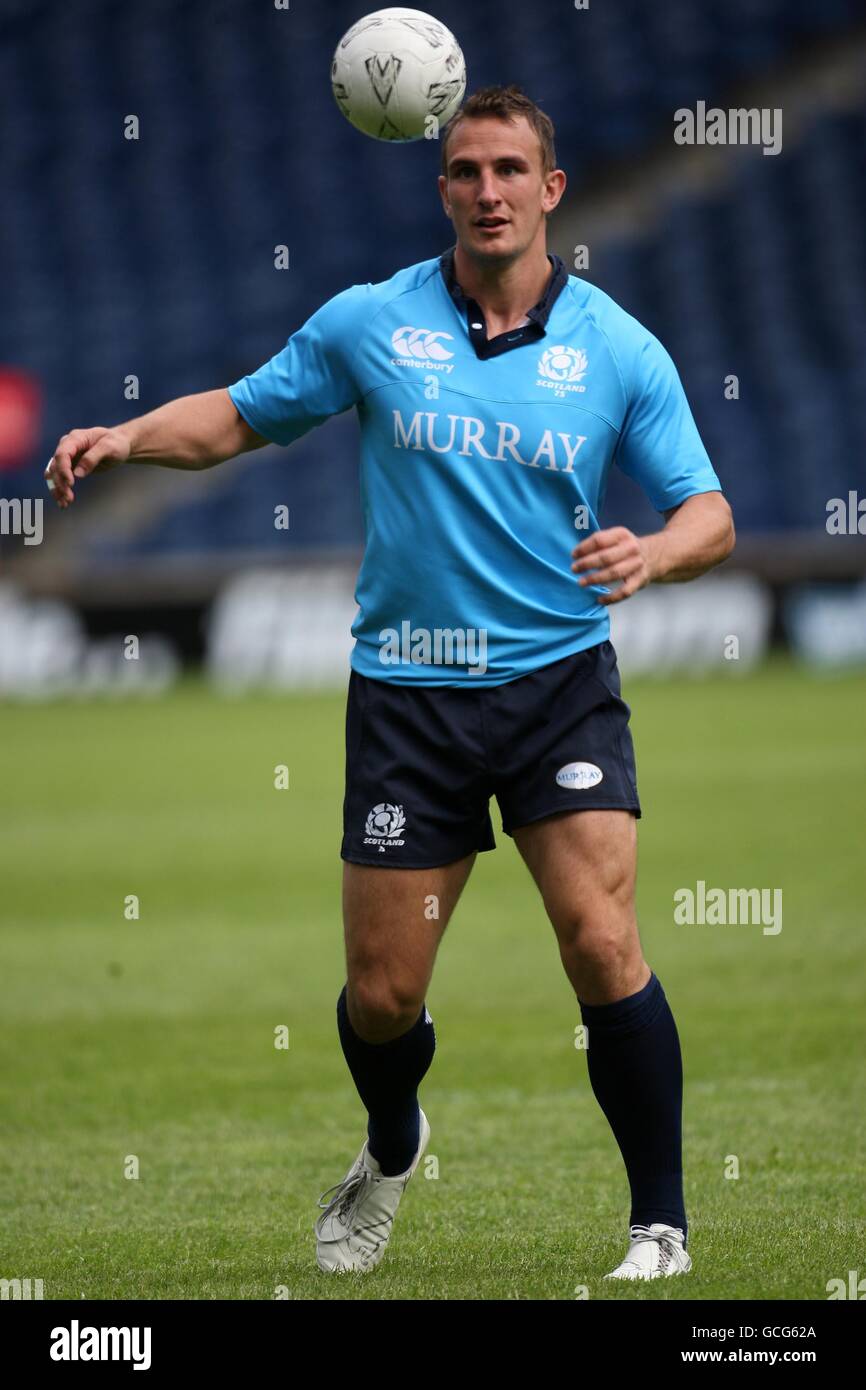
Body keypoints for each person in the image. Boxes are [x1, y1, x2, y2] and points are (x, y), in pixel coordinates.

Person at [45, 83, 735, 1282]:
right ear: (441, 189)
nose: (487, 191)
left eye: (509, 171)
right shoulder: (371, 322)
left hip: (556, 682)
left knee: (599, 938)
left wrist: (655, 551)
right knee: (379, 996)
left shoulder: (616, 346)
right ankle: (392, 1135)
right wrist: (124, 438)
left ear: (550, 190)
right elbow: (242, 418)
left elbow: (709, 514)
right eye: (465, 171)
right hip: (408, 696)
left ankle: (659, 1226)